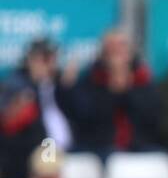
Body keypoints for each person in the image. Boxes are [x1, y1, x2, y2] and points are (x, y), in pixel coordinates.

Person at [63, 29, 160, 157]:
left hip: (138, 148)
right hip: (100, 148)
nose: (116, 54)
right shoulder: (90, 79)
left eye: (121, 47)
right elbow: (85, 118)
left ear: (131, 51)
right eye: (111, 48)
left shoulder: (143, 79)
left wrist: (127, 91)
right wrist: (112, 92)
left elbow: (152, 119)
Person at [0, 38, 74, 178]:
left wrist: (68, 88)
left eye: (52, 58)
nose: (49, 64)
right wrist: (34, 83)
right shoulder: (16, 84)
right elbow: (9, 123)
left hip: (60, 150)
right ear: (30, 60)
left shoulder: (58, 84)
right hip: (29, 157)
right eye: (44, 59)